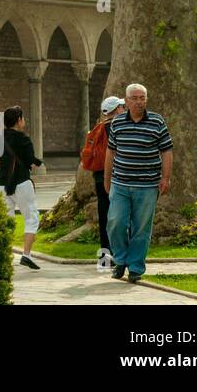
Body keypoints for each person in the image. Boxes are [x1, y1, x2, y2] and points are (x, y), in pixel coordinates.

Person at [105, 83, 173, 284]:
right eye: (134, 98)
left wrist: (165, 177)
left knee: (141, 228)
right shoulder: (117, 123)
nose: (138, 101)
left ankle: (135, 267)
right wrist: (107, 179)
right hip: (120, 183)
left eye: (142, 97)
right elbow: (111, 152)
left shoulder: (157, 121)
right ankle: (120, 260)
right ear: (126, 101)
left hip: (147, 185)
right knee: (115, 223)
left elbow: (167, 150)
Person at [0, 105, 43, 270]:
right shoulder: (24, 139)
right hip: (21, 183)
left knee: (5, 220)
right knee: (31, 217)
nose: (24, 121)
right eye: (22, 118)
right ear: (18, 120)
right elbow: (30, 161)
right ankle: (26, 255)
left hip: (0, 184)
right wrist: (36, 163)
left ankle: (4, 257)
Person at [81, 96, 124, 270]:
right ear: (117, 110)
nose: (124, 109)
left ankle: (104, 259)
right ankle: (119, 255)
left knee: (105, 215)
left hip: (99, 176)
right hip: (114, 176)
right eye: (121, 106)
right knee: (119, 216)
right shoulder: (115, 126)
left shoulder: (98, 127)